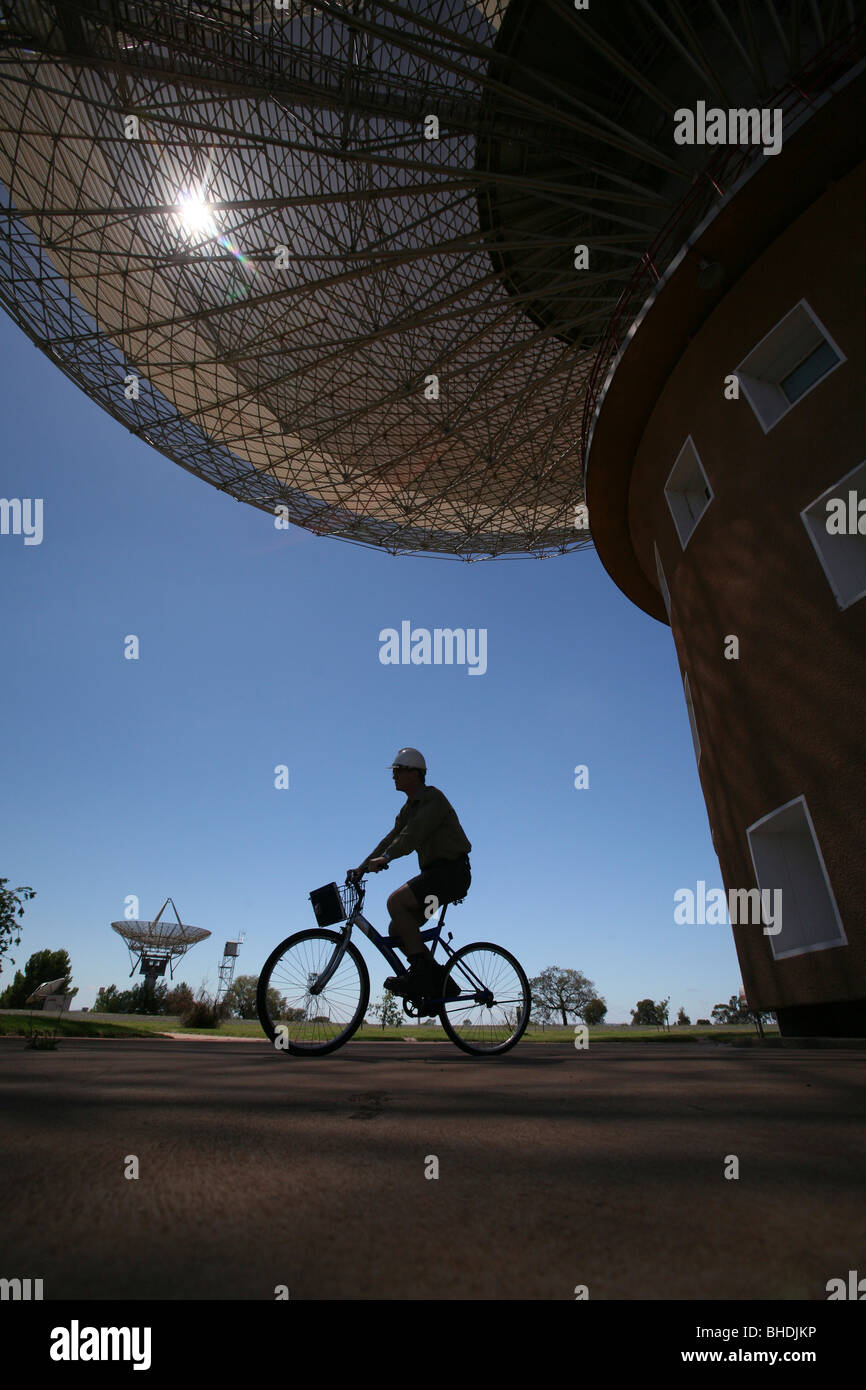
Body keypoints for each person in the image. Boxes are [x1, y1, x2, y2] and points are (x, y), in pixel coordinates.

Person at [349, 748, 471, 1005]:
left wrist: (388, 857)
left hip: (451, 873)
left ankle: (420, 975)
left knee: (396, 902)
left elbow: (413, 834)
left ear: (415, 773)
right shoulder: (408, 808)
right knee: (398, 928)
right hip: (436, 876)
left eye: (397, 771)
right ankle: (440, 981)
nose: (393, 776)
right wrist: (361, 868)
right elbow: (391, 837)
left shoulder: (432, 798)